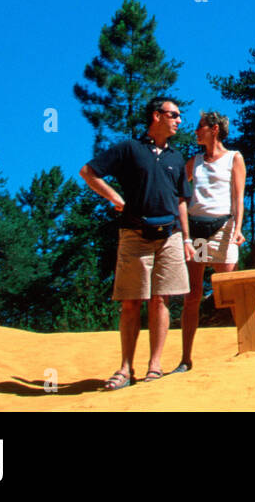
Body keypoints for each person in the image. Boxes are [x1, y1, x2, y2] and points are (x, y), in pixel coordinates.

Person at [79, 96, 193, 390]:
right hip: (134, 234)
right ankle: (125, 369)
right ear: (157, 116)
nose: (179, 120)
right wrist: (115, 198)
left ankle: (155, 366)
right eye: (174, 115)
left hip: (170, 236)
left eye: (179, 116)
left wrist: (187, 237)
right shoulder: (130, 149)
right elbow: (88, 172)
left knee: (161, 300)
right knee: (131, 302)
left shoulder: (177, 158)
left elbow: (182, 200)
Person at [173, 111, 245, 374]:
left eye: (200, 127)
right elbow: (177, 187)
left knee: (232, 290)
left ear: (214, 129)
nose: (196, 131)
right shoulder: (196, 161)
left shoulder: (234, 158)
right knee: (191, 295)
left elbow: (238, 198)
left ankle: (246, 348)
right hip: (197, 229)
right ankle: (185, 358)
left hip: (222, 229)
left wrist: (238, 229)